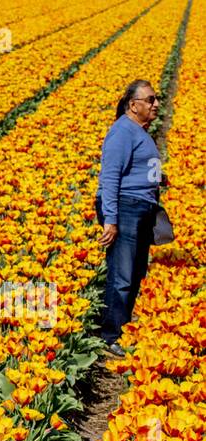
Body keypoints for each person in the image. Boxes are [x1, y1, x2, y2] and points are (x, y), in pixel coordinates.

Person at [96, 79, 167, 357]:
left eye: (156, 99)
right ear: (133, 104)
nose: (156, 104)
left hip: (139, 207)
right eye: (150, 100)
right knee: (122, 273)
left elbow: (134, 169)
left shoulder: (139, 131)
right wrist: (110, 219)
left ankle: (123, 328)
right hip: (124, 207)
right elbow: (111, 176)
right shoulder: (122, 131)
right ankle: (110, 335)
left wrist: (157, 178)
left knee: (136, 271)